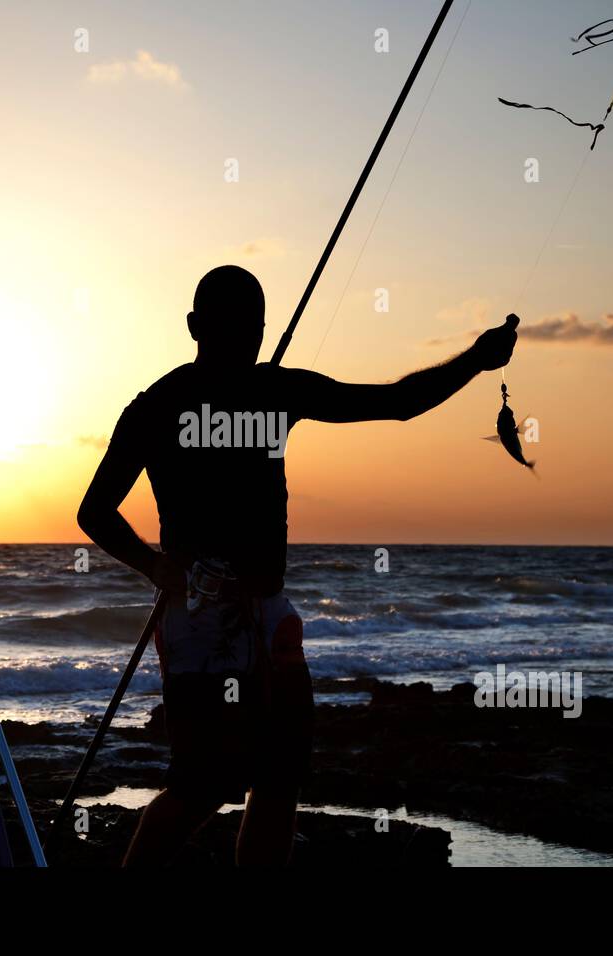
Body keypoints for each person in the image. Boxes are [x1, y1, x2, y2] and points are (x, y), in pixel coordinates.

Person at [77, 264, 518, 865]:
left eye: (251, 329)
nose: (242, 341)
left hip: (271, 611)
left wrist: (474, 360)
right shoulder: (159, 406)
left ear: (262, 330)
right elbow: (94, 511)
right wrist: (153, 567)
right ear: (194, 327)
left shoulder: (276, 392)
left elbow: (396, 404)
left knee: (282, 772)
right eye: (228, 328)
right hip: (200, 622)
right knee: (204, 785)